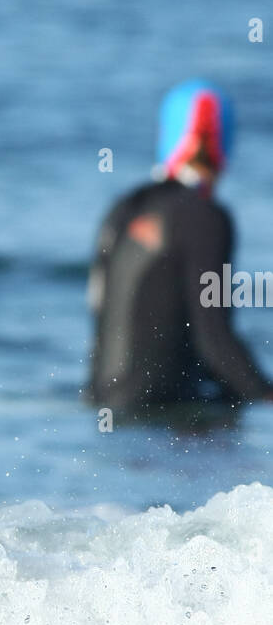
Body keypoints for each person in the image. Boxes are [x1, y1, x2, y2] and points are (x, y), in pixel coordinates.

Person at [88, 79, 273, 416]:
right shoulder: (204, 217)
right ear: (221, 141)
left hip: (100, 407)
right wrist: (265, 396)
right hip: (163, 420)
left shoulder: (122, 211)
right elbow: (214, 340)